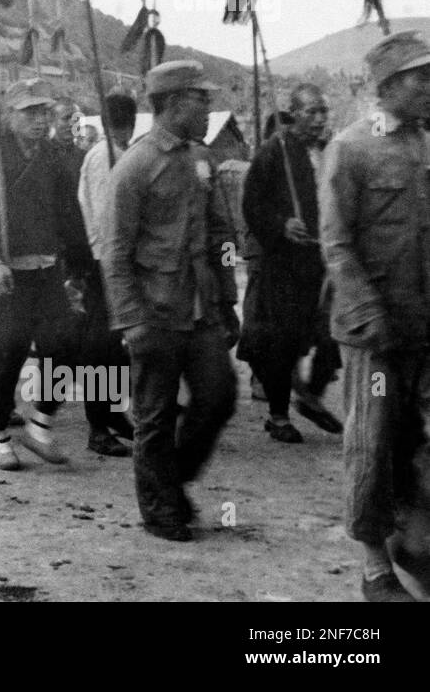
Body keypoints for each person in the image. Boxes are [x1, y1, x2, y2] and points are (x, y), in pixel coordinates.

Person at [101, 61, 239, 542]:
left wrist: (228, 300)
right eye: (202, 99)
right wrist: (131, 321)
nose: (208, 108)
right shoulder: (135, 167)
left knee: (219, 396)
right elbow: (114, 252)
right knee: (155, 416)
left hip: (201, 310)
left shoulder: (201, 159)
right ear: (175, 102)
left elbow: (220, 234)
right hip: (154, 312)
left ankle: (172, 480)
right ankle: (160, 508)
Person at [319, 31, 430, 602]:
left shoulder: (427, 145)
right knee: (374, 440)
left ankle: (416, 546)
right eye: (421, 78)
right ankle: (374, 568)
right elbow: (336, 243)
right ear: (388, 87)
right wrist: (367, 313)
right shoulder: (351, 148)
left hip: (425, 326)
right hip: (377, 336)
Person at [0, 79, 94, 470]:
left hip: (48, 272)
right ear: (10, 116)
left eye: (44, 112)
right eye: (30, 113)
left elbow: (69, 215)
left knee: (65, 344)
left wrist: (79, 267)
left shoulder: (55, 158)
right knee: (3, 355)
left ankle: (40, 426)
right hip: (6, 277)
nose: (41, 120)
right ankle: (0, 435)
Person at [240, 83, 342, 443]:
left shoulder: (332, 151)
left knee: (333, 334)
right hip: (285, 262)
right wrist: (282, 224)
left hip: (325, 258)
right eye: (310, 112)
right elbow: (251, 204)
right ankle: (278, 416)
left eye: (322, 112)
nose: (318, 119)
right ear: (294, 114)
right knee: (281, 341)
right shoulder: (274, 152)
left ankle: (311, 396)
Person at [76, 92, 139, 457]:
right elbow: (102, 215)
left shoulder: (123, 152)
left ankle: (114, 413)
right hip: (106, 261)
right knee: (102, 347)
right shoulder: (103, 157)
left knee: (117, 346)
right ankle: (98, 427)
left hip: (119, 260)